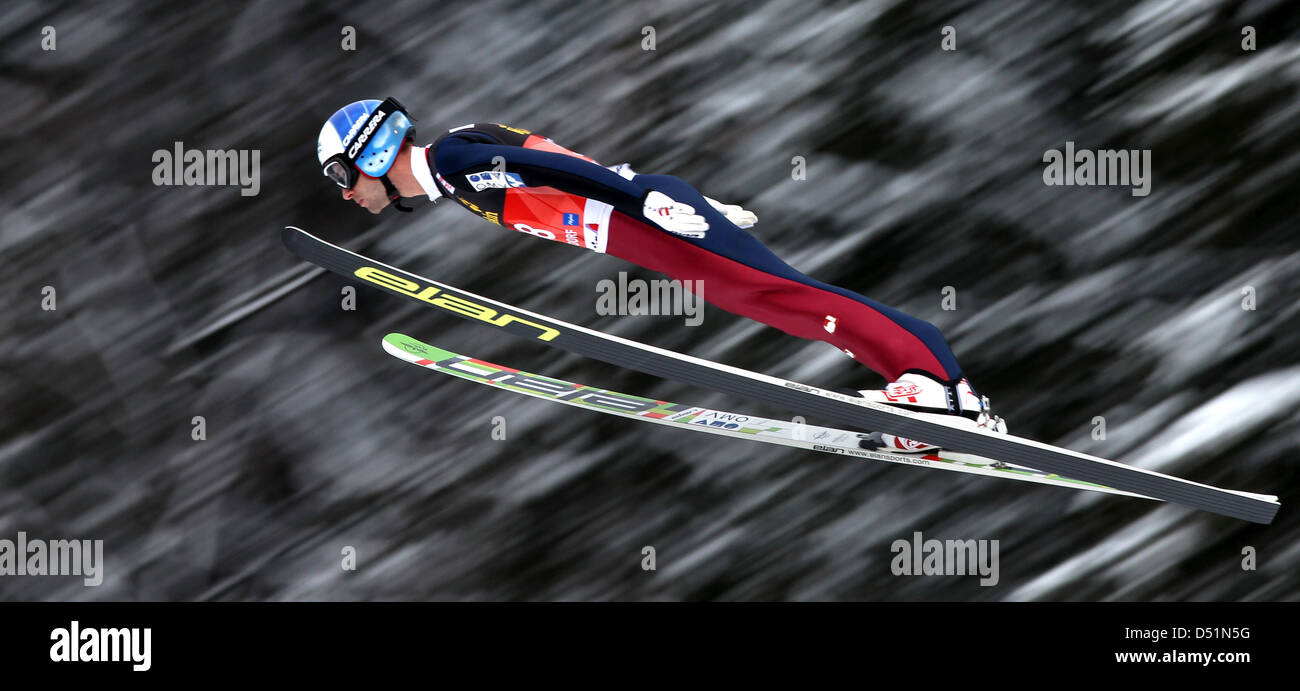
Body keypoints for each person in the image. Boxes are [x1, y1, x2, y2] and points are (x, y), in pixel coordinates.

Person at [316, 97, 1007, 452]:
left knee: (787, 296)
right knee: (783, 305)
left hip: (644, 219)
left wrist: (647, 198)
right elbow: (551, 156)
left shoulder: (454, 163)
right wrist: (648, 193)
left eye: (343, 176)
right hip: (641, 223)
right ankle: (919, 391)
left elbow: (556, 171)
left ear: (371, 151)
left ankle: (945, 387)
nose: (347, 194)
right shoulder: (458, 164)